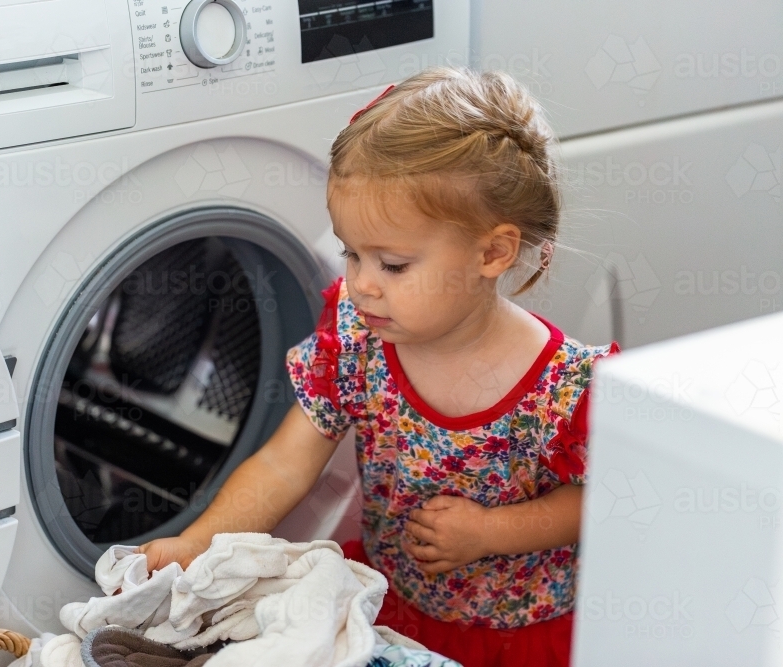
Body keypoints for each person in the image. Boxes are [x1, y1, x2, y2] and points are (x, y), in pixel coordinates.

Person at [141, 67, 619, 667]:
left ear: (492, 252)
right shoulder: (357, 341)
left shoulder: (564, 387)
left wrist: (489, 533)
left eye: (392, 265)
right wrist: (196, 543)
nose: (361, 283)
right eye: (350, 251)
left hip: (519, 640)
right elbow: (285, 464)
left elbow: (606, 500)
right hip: (391, 612)